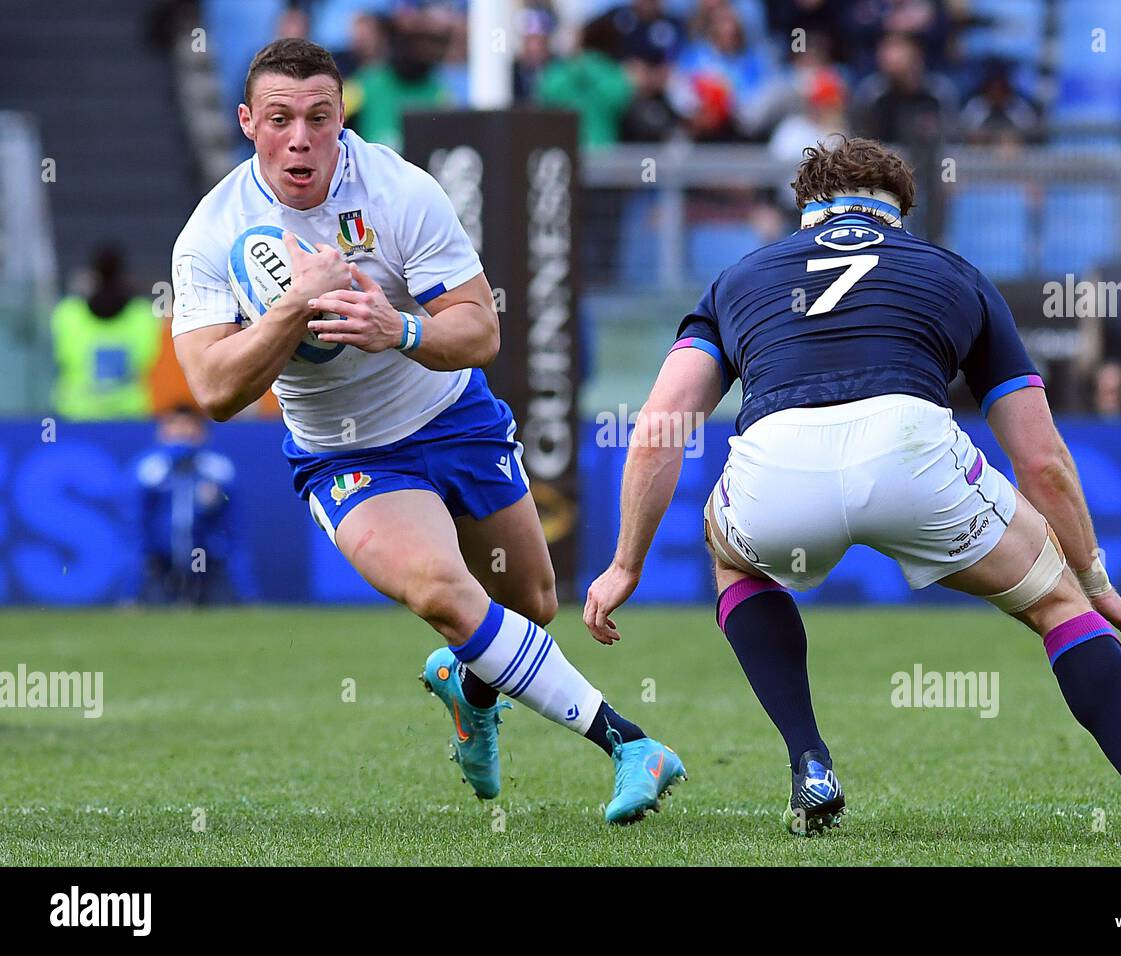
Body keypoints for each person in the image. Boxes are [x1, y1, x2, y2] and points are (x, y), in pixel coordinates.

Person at [584, 135, 1121, 843]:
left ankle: (810, 759)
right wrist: (1093, 581)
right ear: (900, 211)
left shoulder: (737, 280)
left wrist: (626, 564)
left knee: (733, 558)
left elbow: (657, 429)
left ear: (805, 208)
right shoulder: (955, 274)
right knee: (1057, 604)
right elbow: (1043, 459)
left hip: (779, 461)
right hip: (912, 451)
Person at [170, 38, 683, 823]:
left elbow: (479, 331)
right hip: (346, 452)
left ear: (343, 117)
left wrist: (398, 328)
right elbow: (212, 389)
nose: (301, 138)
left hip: (451, 415)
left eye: (319, 117)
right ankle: (629, 744)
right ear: (247, 122)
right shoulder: (210, 234)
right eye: (280, 119)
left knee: (533, 602)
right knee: (446, 593)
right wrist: (292, 307)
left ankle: (467, 689)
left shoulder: (400, 191)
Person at [135, 406, 252, 605]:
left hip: (205, 558)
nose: (182, 433)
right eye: (175, 426)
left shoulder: (217, 468)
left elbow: (232, 524)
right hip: (160, 561)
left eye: (188, 426)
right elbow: (138, 519)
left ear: (202, 432)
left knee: (216, 604)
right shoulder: (150, 468)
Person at [51, 245, 161, 421]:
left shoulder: (67, 314)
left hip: (78, 414)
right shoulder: (143, 315)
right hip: (127, 415)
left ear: (90, 277)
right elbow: (146, 360)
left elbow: (60, 358)